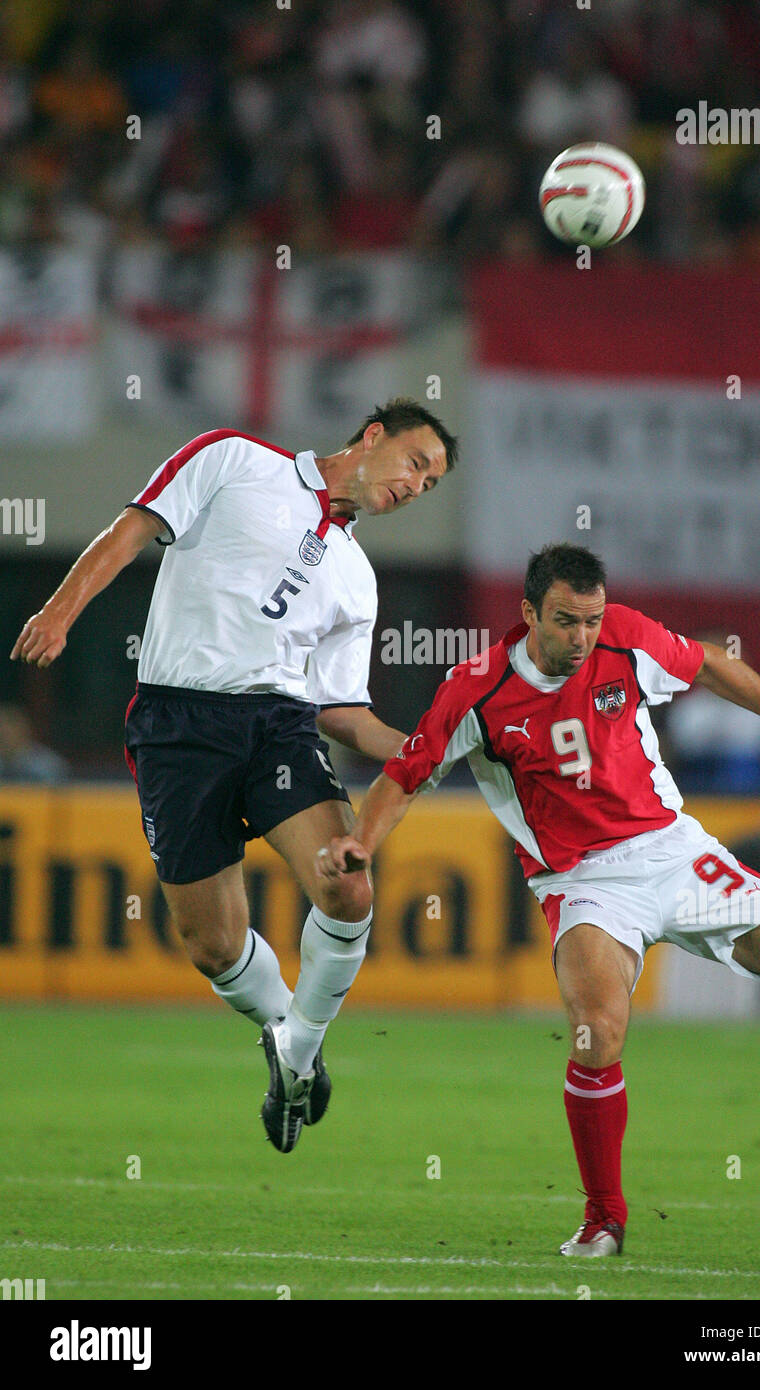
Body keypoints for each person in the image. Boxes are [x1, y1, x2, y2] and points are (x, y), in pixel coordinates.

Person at [318, 543, 760, 1257]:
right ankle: (603, 1217)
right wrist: (362, 840)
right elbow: (405, 772)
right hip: (582, 885)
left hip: (677, 856)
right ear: (527, 614)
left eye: (590, 620)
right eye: (565, 621)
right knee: (596, 1032)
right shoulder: (476, 690)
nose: (581, 637)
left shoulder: (625, 637)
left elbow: (708, 662)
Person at [10, 398, 457, 1154]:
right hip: (177, 726)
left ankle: (299, 1054)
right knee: (212, 946)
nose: (417, 486)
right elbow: (131, 532)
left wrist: (425, 747)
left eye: (433, 484)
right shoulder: (235, 458)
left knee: (347, 884)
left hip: (277, 727)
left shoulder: (356, 579)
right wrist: (61, 610)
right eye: (417, 464)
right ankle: (285, 1034)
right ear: (373, 437)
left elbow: (343, 713)